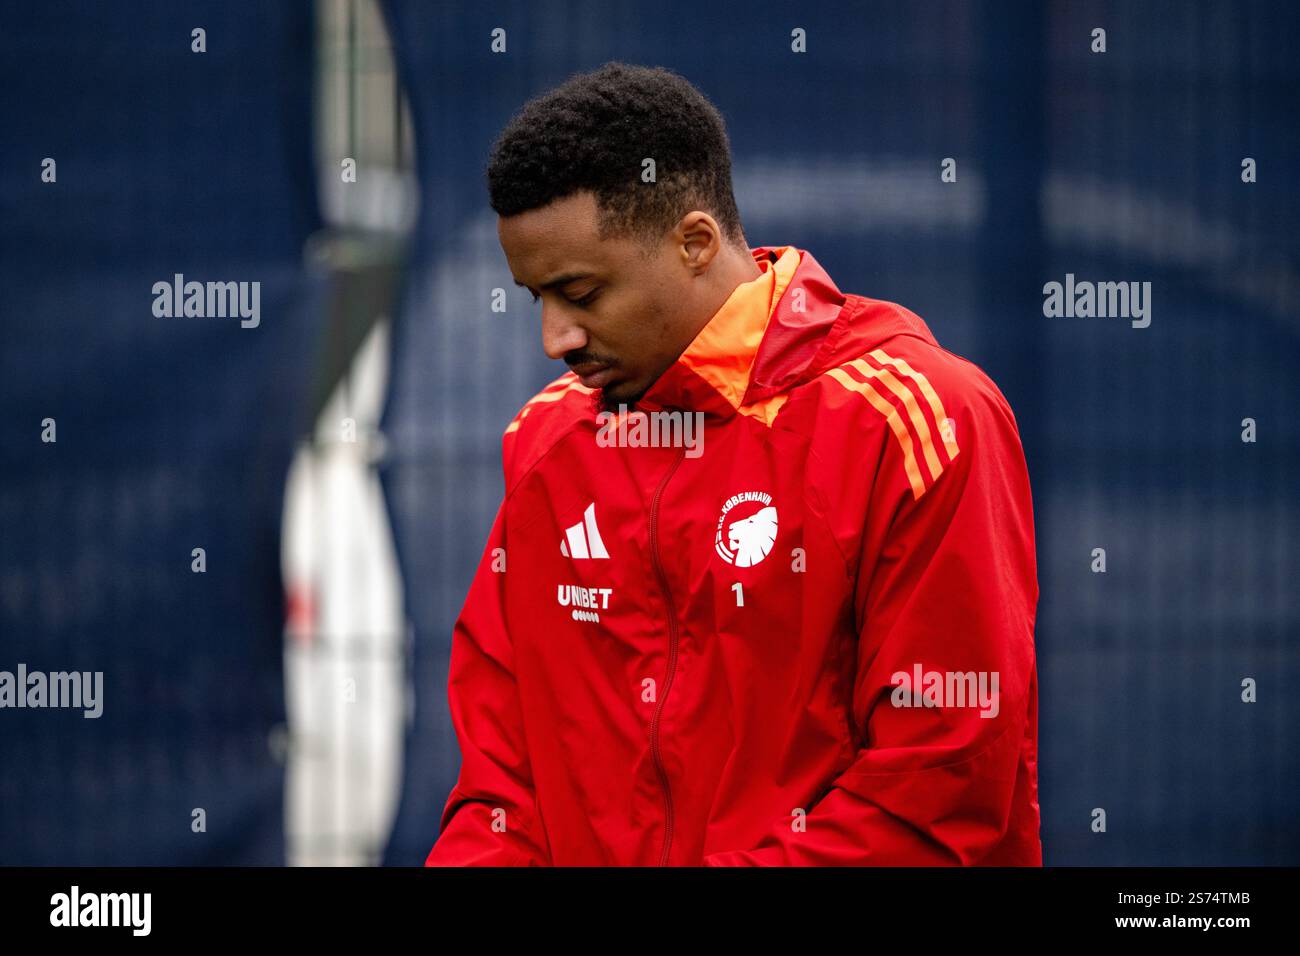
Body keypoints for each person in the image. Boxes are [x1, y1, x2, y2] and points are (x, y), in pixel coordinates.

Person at [426, 61, 1041, 866]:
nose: (555, 340)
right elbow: (502, 786)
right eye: (535, 297)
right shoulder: (547, 443)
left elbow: (937, 791)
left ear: (694, 243)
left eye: (580, 294)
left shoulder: (915, 419)